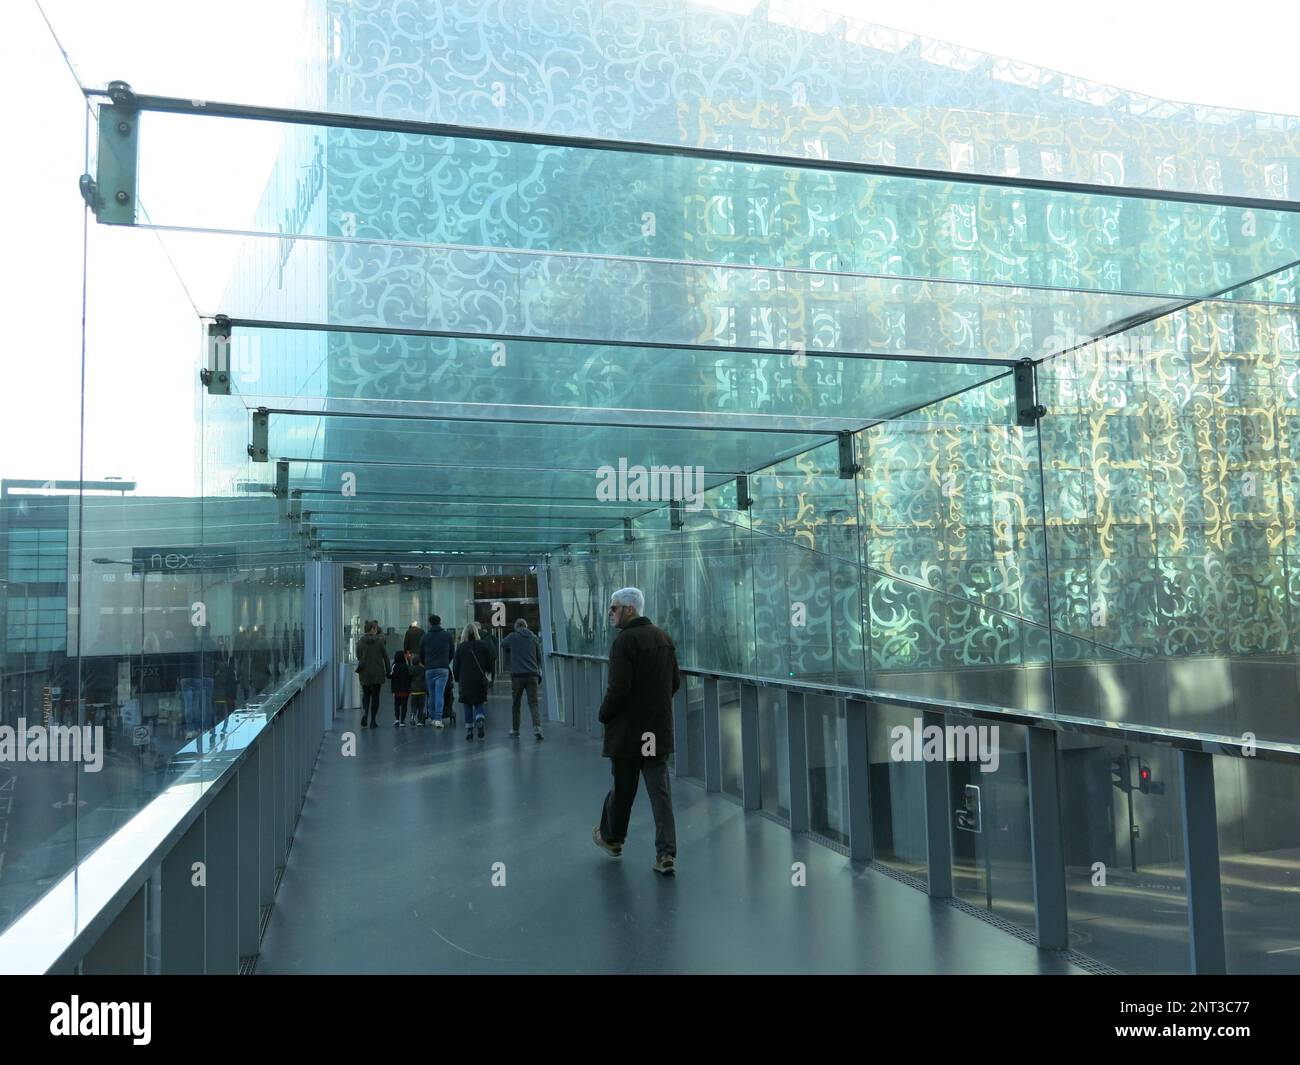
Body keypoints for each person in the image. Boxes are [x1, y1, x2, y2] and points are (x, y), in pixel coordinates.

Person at [592, 587, 680, 875]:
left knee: (623, 790)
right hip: (655, 730)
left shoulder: (624, 642)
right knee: (660, 792)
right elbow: (675, 682)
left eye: (614, 608)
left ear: (629, 610)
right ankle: (666, 854)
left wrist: (604, 714)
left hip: (629, 732)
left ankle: (613, 839)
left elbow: (619, 689)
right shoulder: (663, 638)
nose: (610, 613)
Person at [501, 617, 544, 740]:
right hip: (532, 675)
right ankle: (537, 728)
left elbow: (503, 644)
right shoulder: (534, 638)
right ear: (526, 626)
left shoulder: (513, 636)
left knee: (516, 703)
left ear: (516, 627)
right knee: (533, 703)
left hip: (517, 676)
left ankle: (515, 730)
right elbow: (539, 657)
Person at [452, 621, 496, 741]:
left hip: (465, 680)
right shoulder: (483, 645)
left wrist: (456, 678)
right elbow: (489, 661)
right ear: (476, 632)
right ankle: (480, 719)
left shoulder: (461, 647)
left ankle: (469, 730)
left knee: (467, 704)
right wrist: (489, 673)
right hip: (479, 679)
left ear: (464, 634)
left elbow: (456, 665)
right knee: (479, 702)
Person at [419, 615, 455, 730]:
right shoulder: (447, 636)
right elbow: (452, 652)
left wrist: (426, 664)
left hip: (429, 668)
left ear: (430, 623)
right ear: (440, 622)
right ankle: (438, 719)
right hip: (443, 668)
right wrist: (445, 662)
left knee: (431, 694)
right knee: (440, 693)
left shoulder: (425, 636)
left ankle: (432, 717)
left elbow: (420, 654)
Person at [355, 620, 388, 729]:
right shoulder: (379, 641)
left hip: (364, 672)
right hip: (377, 672)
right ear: (372, 629)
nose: (377, 629)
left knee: (366, 694)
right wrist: (388, 670)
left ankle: (365, 713)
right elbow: (386, 657)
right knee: (375, 696)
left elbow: (358, 656)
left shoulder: (360, 642)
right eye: (376, 628)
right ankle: (373, 720)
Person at [390, 648, 411, 726]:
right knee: (404, 705)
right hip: (405, 689)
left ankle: (397, 719)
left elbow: (391, 675)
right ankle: (402, 721)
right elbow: (409, 677)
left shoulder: (394, 666)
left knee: (397, 704)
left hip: (396, 689)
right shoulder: (406, 666)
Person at [408, 650, 427, 725]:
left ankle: (413, 715)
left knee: (413, 705)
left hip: (414, 691)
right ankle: (420, 721)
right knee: (421, 706)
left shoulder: (410, 669)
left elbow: (409, 678)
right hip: (422, 690)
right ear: (419, 662)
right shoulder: (423, 669)